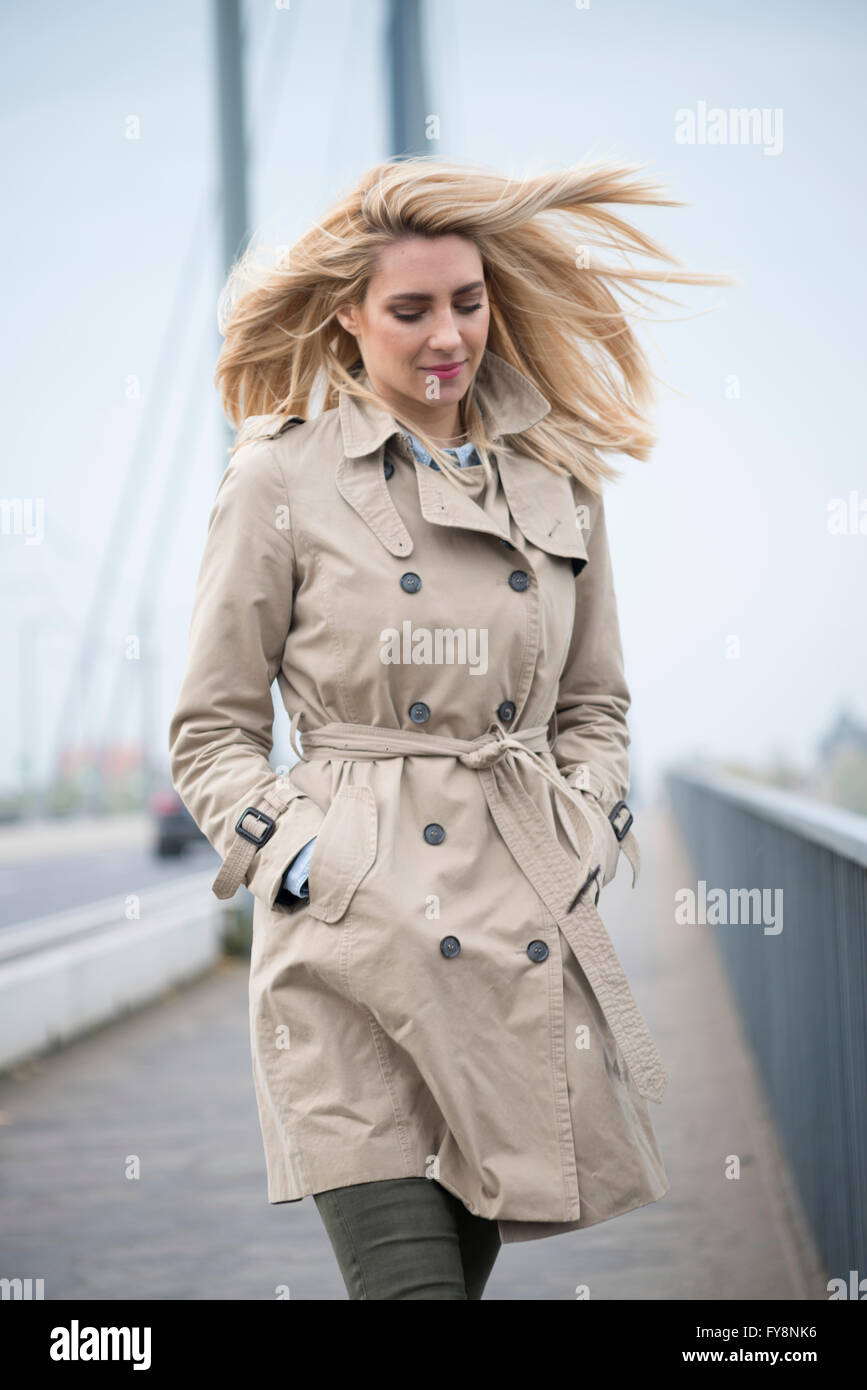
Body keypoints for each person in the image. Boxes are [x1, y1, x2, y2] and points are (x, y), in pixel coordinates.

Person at [168, 157, 730, 1300]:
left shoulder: (559, 477)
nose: (447, 337)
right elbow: (212, 731)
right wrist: (306, 858)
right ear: (349, 316)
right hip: (351, 954)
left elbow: (594, 702)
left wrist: (583, 825)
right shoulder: (278, 476)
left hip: (512, 929)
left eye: (466, 304)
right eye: (411, 309)